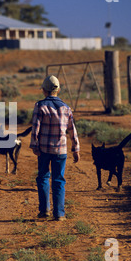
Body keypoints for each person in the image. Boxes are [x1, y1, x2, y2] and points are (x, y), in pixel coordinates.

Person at [29, 75, 80, 221]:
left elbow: (35, 128)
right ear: (58, 90)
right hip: (61, 150)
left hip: (44, 150)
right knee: (58, 180)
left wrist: (34, 145)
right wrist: (76, 148)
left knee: (43, 178)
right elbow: (72, 129)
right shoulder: (66, 108)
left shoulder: (40, 106)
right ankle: (59, 214)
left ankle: (44, 210)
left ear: (44, 90)